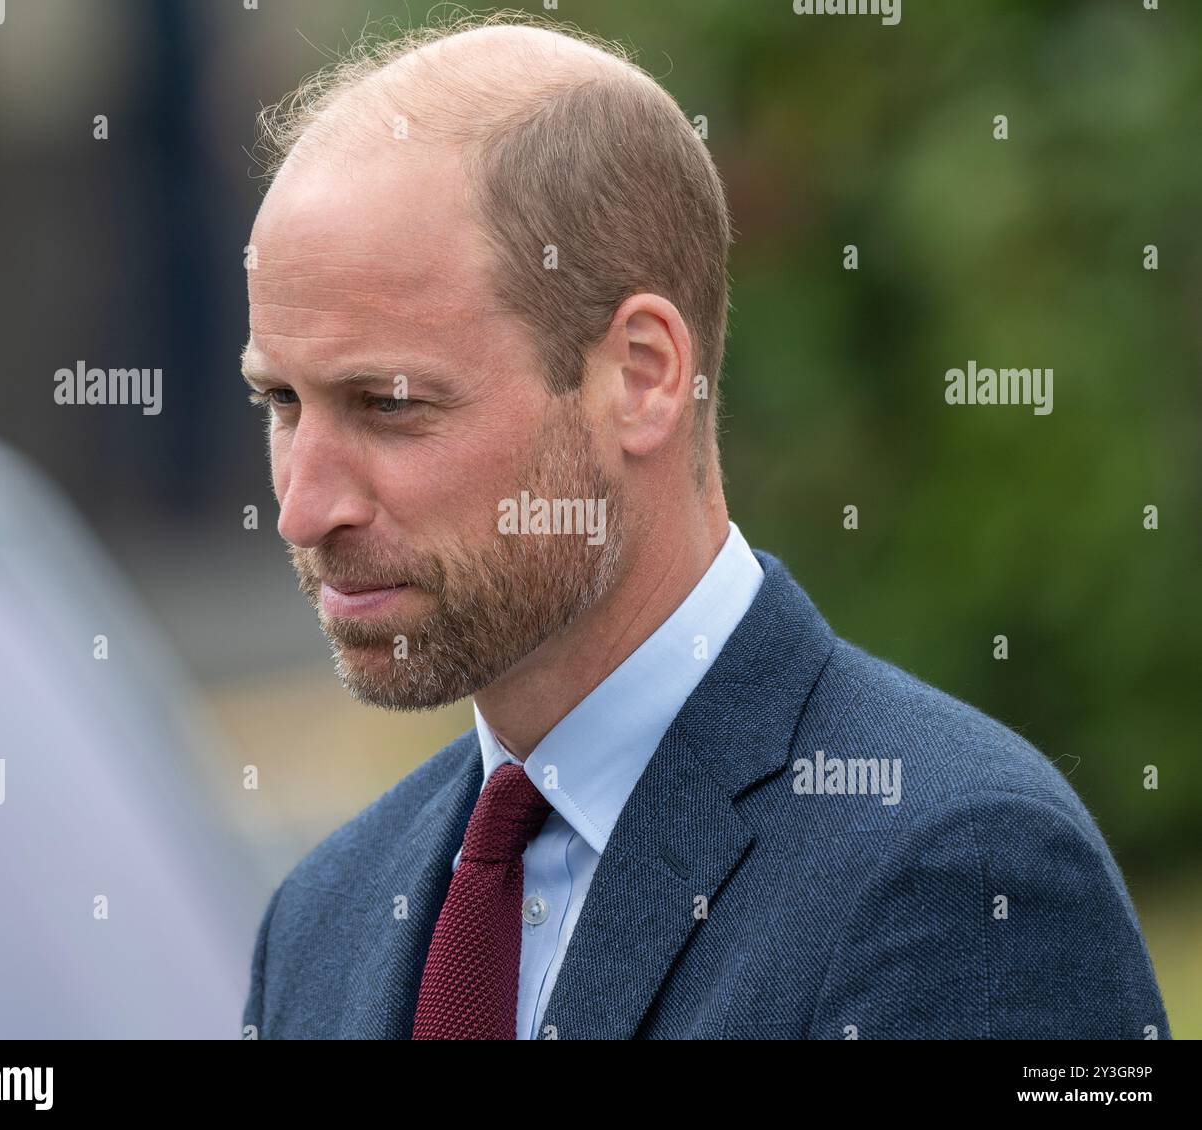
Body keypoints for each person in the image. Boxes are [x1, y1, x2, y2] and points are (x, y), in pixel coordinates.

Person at [239, 17, 1169, 1039]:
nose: (304, 505)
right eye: (283, 402)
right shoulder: (325, 917)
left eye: (388, 404)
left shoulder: (958, 876)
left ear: (641, 377)